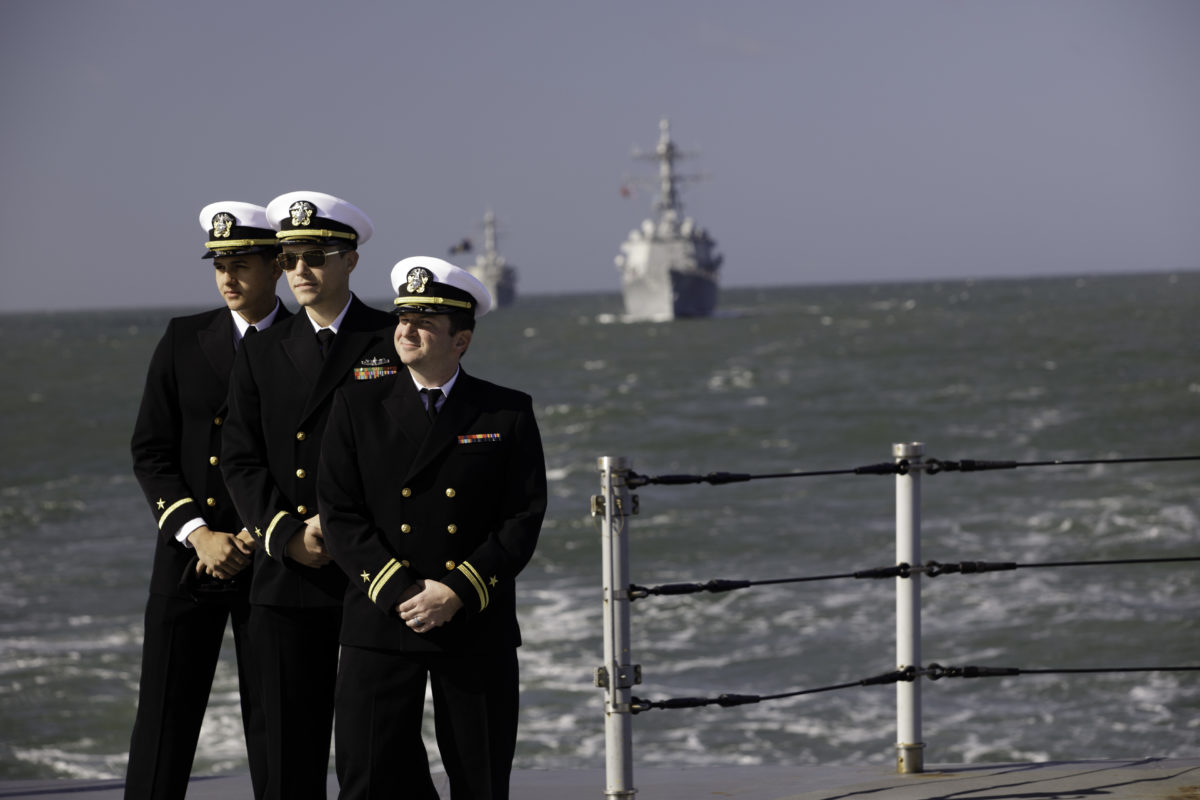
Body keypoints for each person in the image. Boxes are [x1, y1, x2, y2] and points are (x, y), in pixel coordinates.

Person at [319, 256, 547, 800]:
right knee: (368, 778)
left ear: (460, 340)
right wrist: (403, 591)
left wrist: (456, 591)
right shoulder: (356, 406)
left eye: (425, 321)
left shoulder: (504, 412)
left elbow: (522, 518)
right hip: (381, 620)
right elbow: (339, 512)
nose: (406, 329)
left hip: (473, 621)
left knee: (481, 781)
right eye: (403, 317)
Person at [220, 191, 399, 800]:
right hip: (287, 574)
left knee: (376, 753)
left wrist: (344, 525)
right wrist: (287, 535)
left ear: (349, 260)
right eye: (289, 257)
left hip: (371, 572)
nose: (299, 270)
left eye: (315, 256)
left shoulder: (392, 340)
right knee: (286, 758)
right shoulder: (261, 352)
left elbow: (415, 449)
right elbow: (240, 459)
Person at [127, 201, 288, 799]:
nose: (227, 277)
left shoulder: (304, 346)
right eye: (219, 263)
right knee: (163, 723)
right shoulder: (183, 339)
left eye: (242, 263)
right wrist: (200, 534)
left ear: (276, 266)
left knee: (275, 728)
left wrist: (251, 534)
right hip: (188, 559)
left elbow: (316, 465)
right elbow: (151, 450)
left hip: (270, 559)